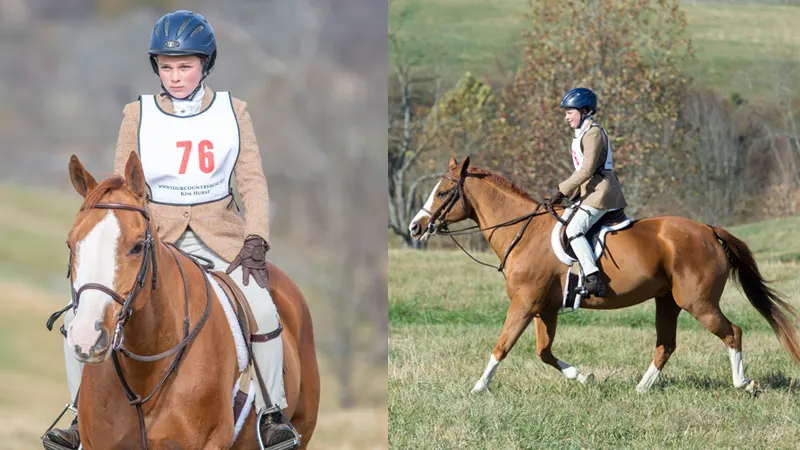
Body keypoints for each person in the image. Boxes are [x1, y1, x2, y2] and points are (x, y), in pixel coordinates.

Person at [45, 10, 297, 450]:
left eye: (185, 66)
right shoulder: (136, 113)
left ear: (205, 65)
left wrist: (256, 237)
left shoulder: (233, 111)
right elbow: (126, 181)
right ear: (156, 68)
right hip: (151, 238)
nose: (176, 75)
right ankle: (77, 419)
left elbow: (251, 180)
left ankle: (272, 413)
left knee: (263, 308)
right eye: (166, 66)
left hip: (219, 235)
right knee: (80, 318)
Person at [547, 87, 628, 297]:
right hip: (589, 190)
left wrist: (561, 190)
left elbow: (587, 169)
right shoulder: (582, 133)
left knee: (574, 230)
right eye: (566, 113)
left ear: (584, 111)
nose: (566, 117)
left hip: (600, 191)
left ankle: (592, 277)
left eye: (569, 112)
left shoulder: (593, 133)